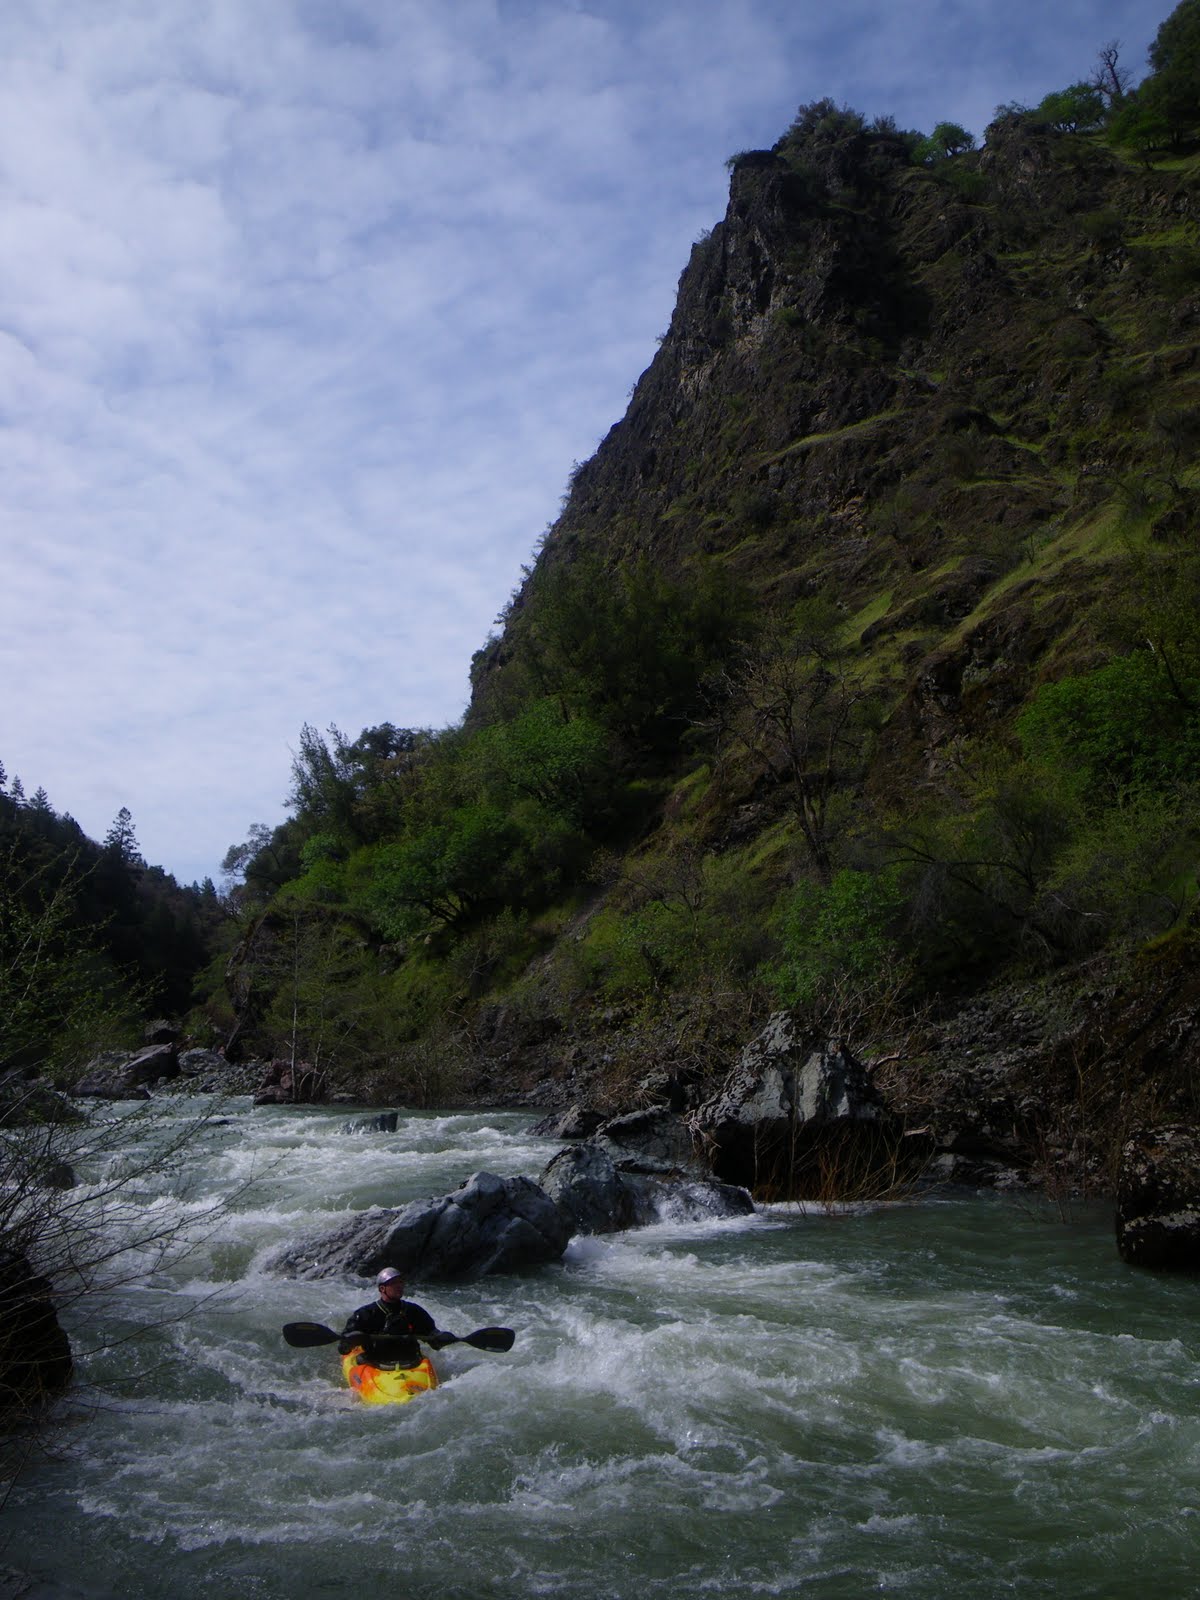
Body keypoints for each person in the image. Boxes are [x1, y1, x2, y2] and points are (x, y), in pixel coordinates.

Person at [338, 1267, 451, 1368]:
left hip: (411, 1363)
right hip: (375, 1363)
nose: (399, 1286)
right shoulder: (365, 1313)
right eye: (393, 1283)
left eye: (401, 1282)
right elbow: (343, 1348)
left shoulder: (414, 1311)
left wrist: (439, 1337)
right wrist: (350, 1341)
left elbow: (432, 1336)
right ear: (382, 1288)